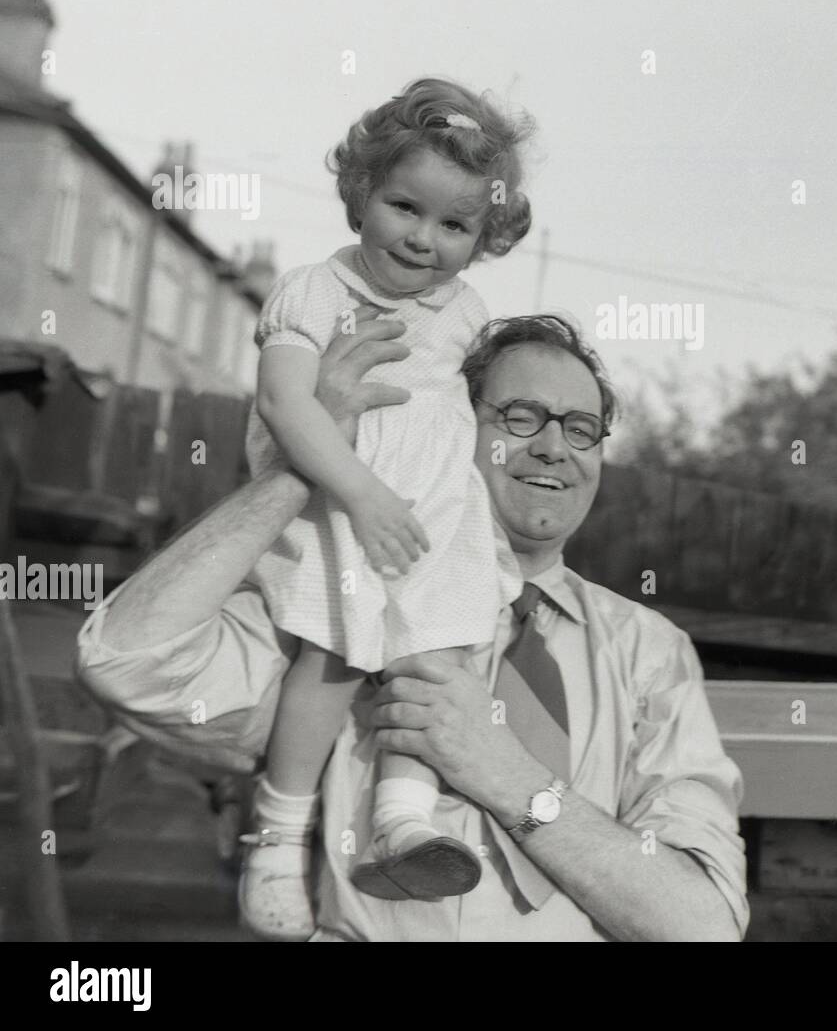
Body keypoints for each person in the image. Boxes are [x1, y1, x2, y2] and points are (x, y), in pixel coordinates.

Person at [76, 314, 748, 941]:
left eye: (581, 428)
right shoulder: (341, 607)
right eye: (521, 417)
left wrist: (506, 775)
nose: (552, 447)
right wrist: (304, 468)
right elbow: (124, 661)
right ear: (452, 426)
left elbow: (704, 923)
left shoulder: (651, 653)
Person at [239, 77, 534, 937]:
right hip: (342, 513)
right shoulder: (315, 292)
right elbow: (287, 405)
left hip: (430, 529)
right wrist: (362, 495)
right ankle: (276, 838)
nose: (425, 239)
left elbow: (463, 424)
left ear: (483, 238)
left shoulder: (465, 310)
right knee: (330, 662)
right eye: (406, 207)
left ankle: (405, 820)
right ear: (361, 191)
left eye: (455, 226)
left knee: (437, 666)